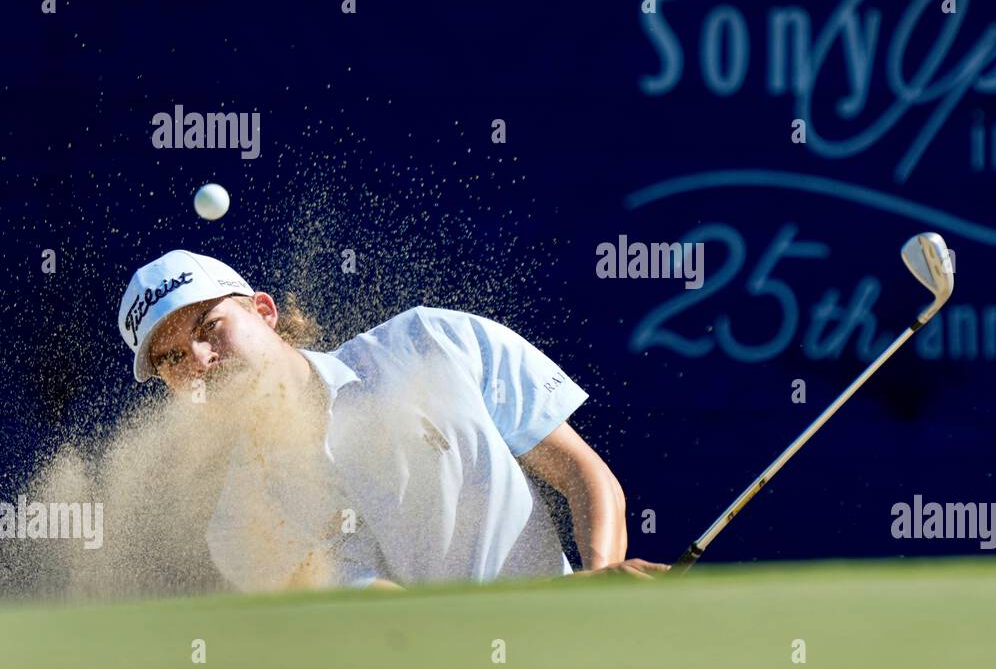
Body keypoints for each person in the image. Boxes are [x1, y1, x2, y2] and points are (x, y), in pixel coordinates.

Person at [116, 249, 668, 591]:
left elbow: (581, 475)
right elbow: (406, 628)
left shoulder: (432, 339)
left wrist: (600, 582)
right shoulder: (240, 526)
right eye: (171, 357)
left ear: (263, 311)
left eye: (210, 326)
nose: (200, 359)